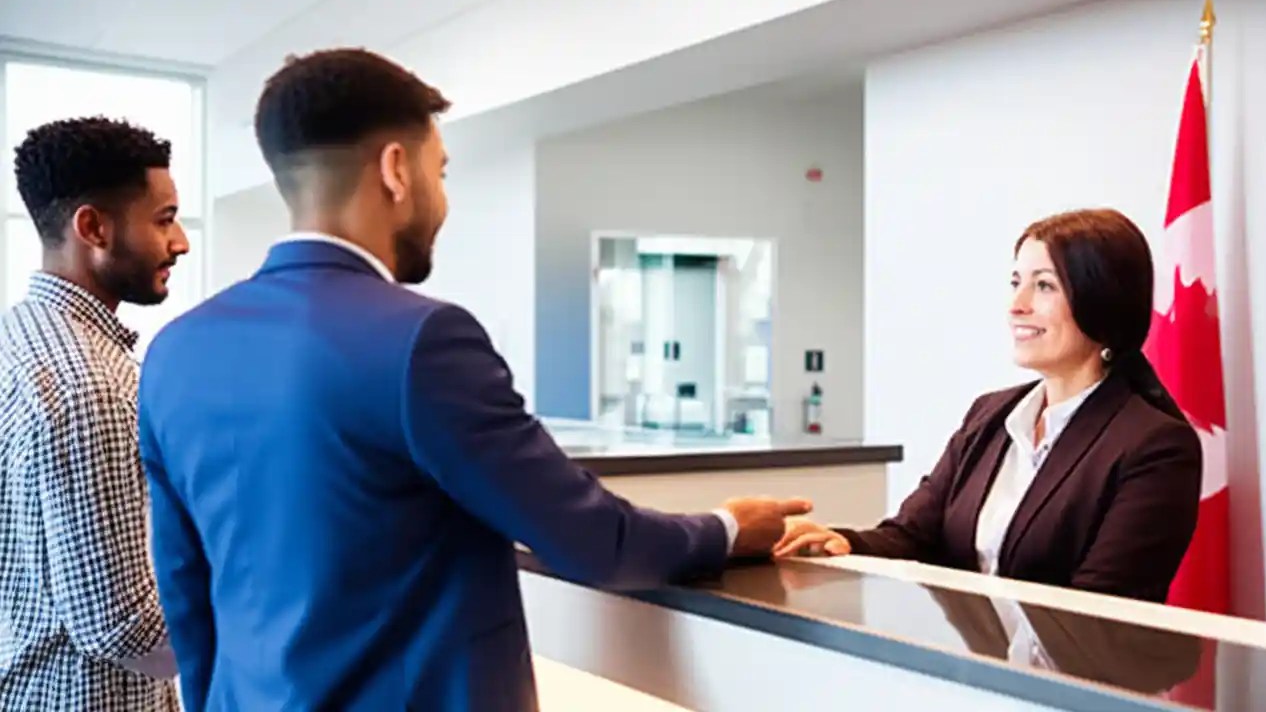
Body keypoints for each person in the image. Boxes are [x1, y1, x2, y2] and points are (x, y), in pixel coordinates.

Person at [138, 48, 810, 712]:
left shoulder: (175, 352)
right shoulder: (420, 341)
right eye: (442, 171)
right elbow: (593, 540)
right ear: (397, 171)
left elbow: (186, 596)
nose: (442, 199)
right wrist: (726, 528)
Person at [775, 208, 1202, 604]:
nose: (1017, 305)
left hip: (1068, 679)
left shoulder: (1156, 446)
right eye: (1016, 282)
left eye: (1045, 285)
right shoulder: (990, 416)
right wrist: (842, 541)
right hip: (975, 670)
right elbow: (913, 536)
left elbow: (1102, 609)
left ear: (1101, 301)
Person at [0, 117, 189, 710]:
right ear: (93, 227)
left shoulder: (16, 336)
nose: (180, 241)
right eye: (164, 219)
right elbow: (121, 624)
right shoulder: (91, 386)